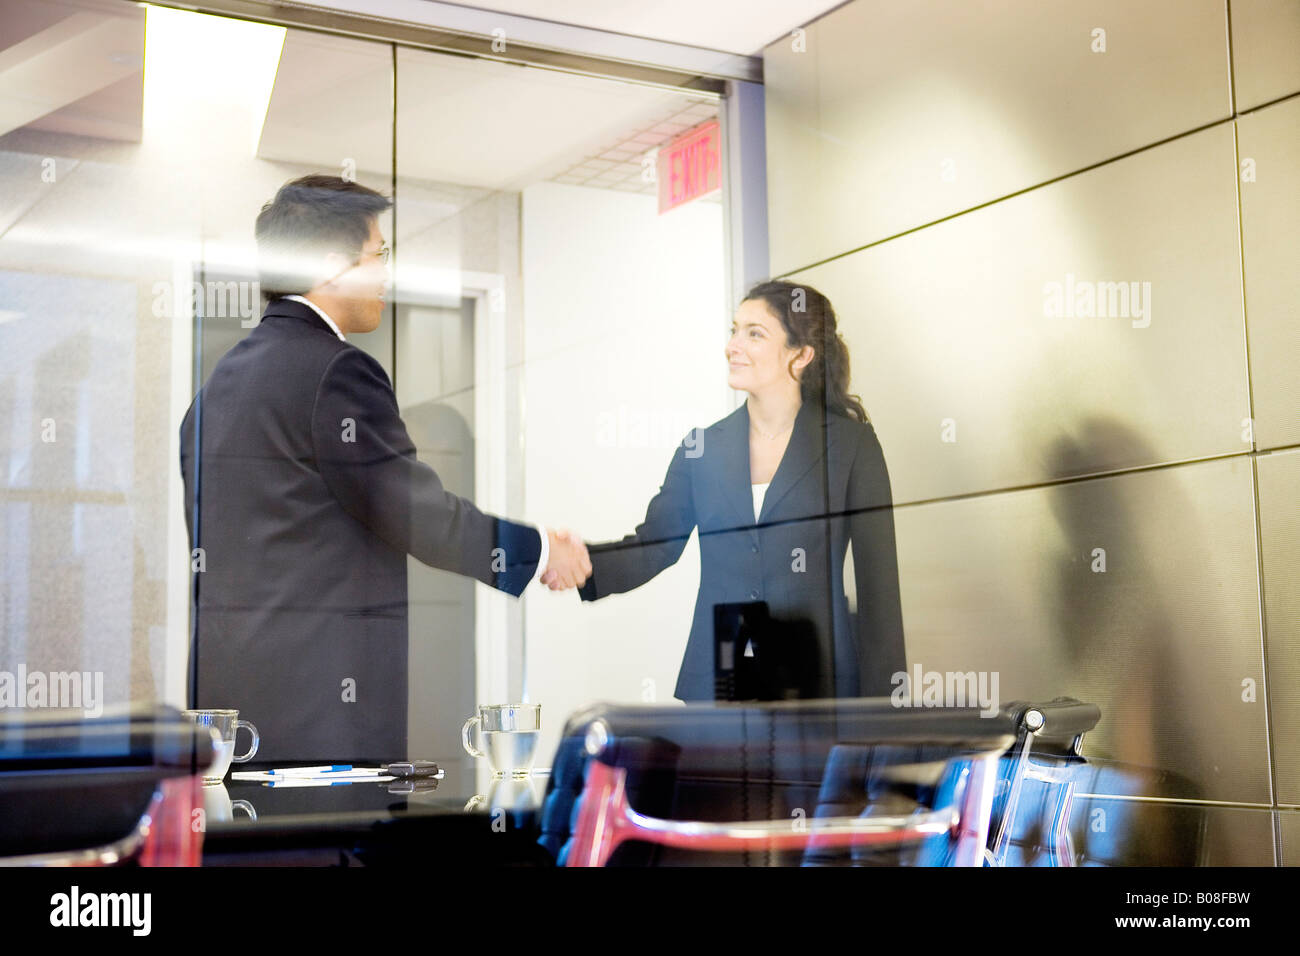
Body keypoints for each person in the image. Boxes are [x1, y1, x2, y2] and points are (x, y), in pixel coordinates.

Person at [180, 174, 590, 763]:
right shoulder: (337, 372)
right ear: (330, 265)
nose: (387, 274)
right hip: (322, 727)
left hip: (229, 729)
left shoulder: (211, 395)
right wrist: (543, 552)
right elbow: (420, 516)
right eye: (381, 254)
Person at [553, 280, 906, 700]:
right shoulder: (701, 448)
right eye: (734, 330)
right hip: (722, 683)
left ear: (801, 354)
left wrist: (886, 714)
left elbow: (879, 591)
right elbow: (654, 546)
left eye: (754, 333)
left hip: (819, 689)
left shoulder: (850, 446)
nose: (733, 346)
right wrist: (581, 561)